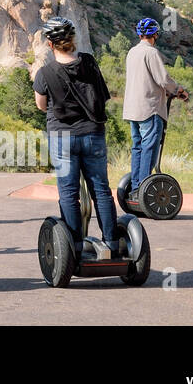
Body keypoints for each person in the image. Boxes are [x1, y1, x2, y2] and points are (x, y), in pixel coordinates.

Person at [33, 16, 121, 254]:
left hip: (62, 137)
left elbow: (41, 105)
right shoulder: (90, 63)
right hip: (93, 133)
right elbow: (102, 95)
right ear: (73, 39)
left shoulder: (45, 73)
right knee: (101, 190)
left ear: (50, 45)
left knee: (69, 193)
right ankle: (112, 242)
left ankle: (75, 246)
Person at [123, 18, 188, 204]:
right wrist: (179, 91)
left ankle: (136, 188)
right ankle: (143, 188)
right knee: (149, 149)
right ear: (155, 35)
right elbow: (163, 79)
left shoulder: (132, 52)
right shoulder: (151, 53)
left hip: (132, 109)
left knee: (137, 148)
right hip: (149, 109)